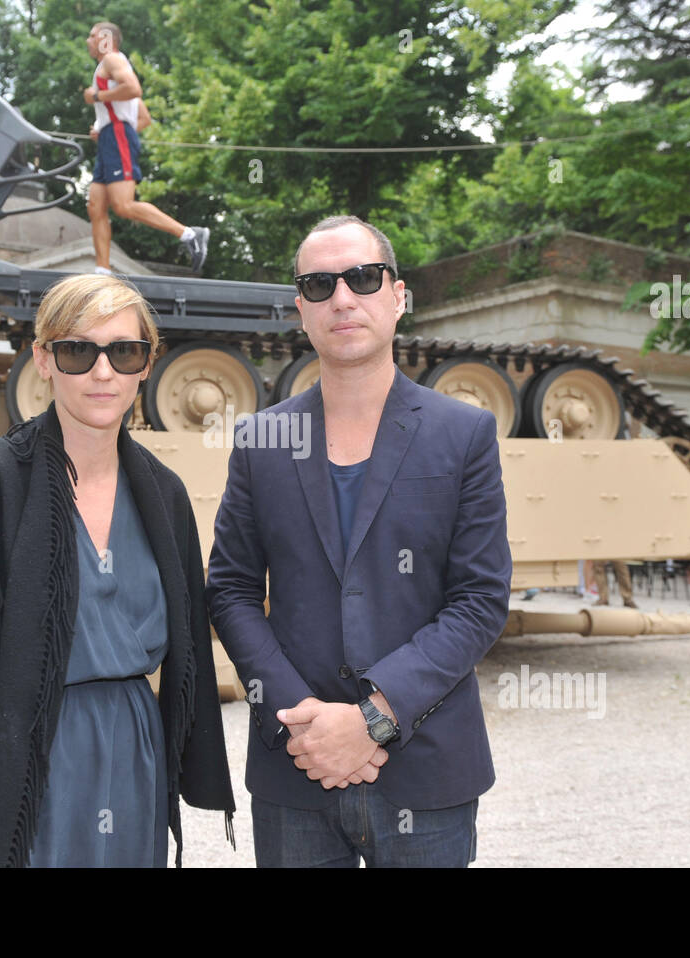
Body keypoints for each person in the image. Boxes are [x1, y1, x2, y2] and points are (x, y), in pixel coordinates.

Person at [206, 215, 512, 867]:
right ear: (301, 309)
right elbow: (230, 589)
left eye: (363, 278)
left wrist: (373, 717)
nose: (341, 298)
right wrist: (303, 720)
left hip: (426, 777)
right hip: (296, 768)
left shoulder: (464, 435)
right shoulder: (262, 440)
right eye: (319, 285)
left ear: (398, 295)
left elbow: (479, 599)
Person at [0, 273, 235, 867]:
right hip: (29, 758)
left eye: (124, 351)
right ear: (44, 360)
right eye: (78, 350)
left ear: (146, 365)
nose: (102, 372)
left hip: (136, 753)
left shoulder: (164, 495)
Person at [83, 22, 210, 274]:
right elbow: (143, 118)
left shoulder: (112, 60)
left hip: (117, 135)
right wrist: (106, 128)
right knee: (95, 206)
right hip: (114, 136)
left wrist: (96, 97)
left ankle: (189, 234)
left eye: (92, 35)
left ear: (106, 39)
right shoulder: (113, 66)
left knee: (123, 206)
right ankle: (103, 271)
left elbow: (133, 89)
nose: (88, 40)